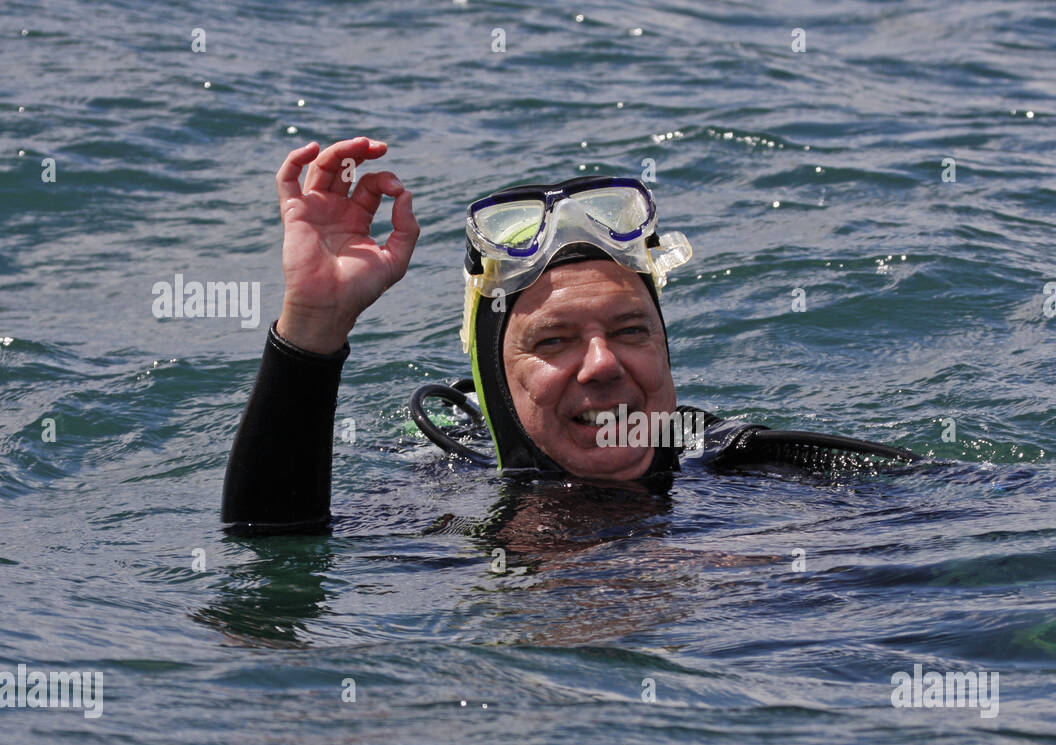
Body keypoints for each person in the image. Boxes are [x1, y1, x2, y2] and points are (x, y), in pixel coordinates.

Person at [221, 137, 917, 535]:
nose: (603, 364)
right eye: (553, 342)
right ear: (497, 377)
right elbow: (267, 568)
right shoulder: (442, 513)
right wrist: (314, 327)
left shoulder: (758, 476)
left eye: (630, 329)